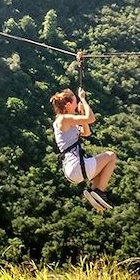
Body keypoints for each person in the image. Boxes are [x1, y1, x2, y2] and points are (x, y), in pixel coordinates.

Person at [50, 82, 117, 211]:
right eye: (75, 102)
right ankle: (98, 191)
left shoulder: (66, 121)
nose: (76, 105)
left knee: (102, 165)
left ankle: (96, 192)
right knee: (111, 156)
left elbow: (87, 132)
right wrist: (83, 99)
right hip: (76, 166)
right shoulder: (64, 119)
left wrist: (81, 117)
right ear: (68, 104)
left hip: (72, 169)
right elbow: (91, 118)